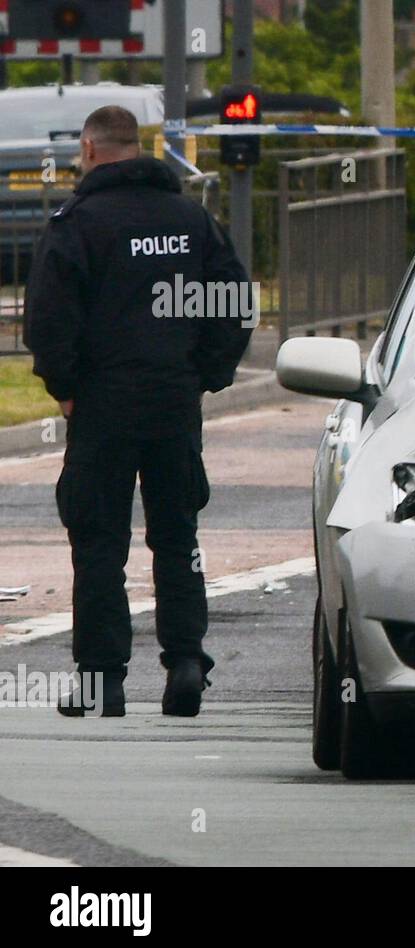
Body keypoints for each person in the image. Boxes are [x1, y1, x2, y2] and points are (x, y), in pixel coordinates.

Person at [23, 105, 253, 717]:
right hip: (173, 401)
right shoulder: (191, 220)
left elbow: (48, 319)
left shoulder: (76, 223)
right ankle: (184, 664)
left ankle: (103, 680)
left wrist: (65, 388)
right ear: (138, 147)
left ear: (91, 149)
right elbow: (232, 302)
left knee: (99, 540)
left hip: (101, 404)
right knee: (178, 536)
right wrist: (205, 374)